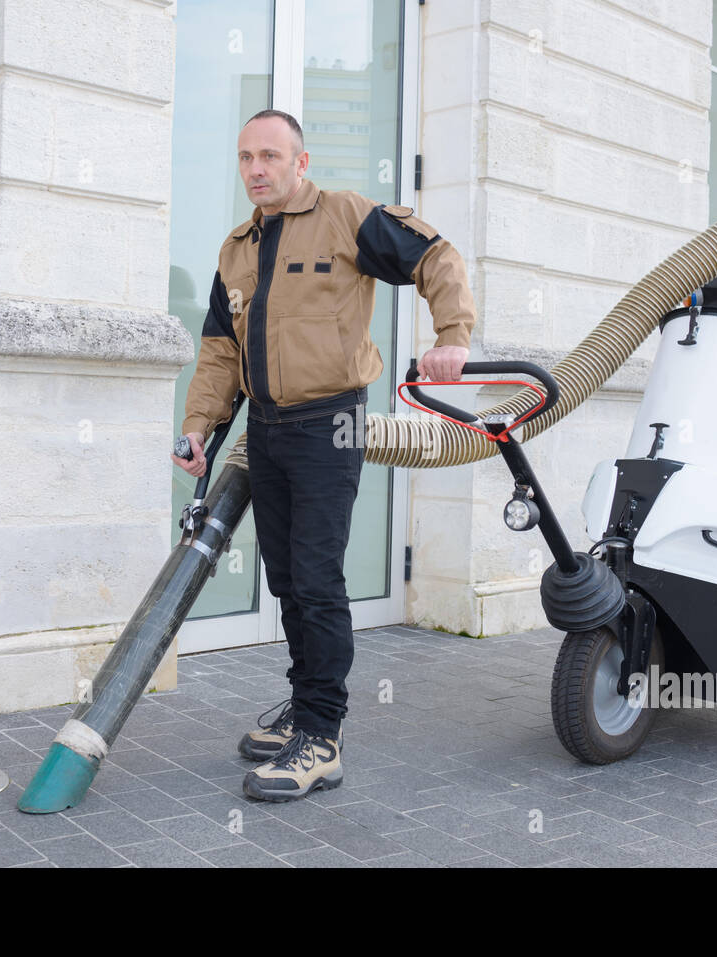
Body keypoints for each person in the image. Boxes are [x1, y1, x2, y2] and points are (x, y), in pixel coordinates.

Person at [174, 109, 476, 802]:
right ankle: (304, 709)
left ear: (299, 163)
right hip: (267, 429)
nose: (257, 168)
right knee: (285, 581)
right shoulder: (236, 248)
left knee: (315, 580)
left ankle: (323, 739)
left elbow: (436, 256)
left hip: (327, 425)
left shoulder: (347, 216)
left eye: (271, 156)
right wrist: (199, 425)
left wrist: (452, 333)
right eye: (247, 156)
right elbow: (221, 350)